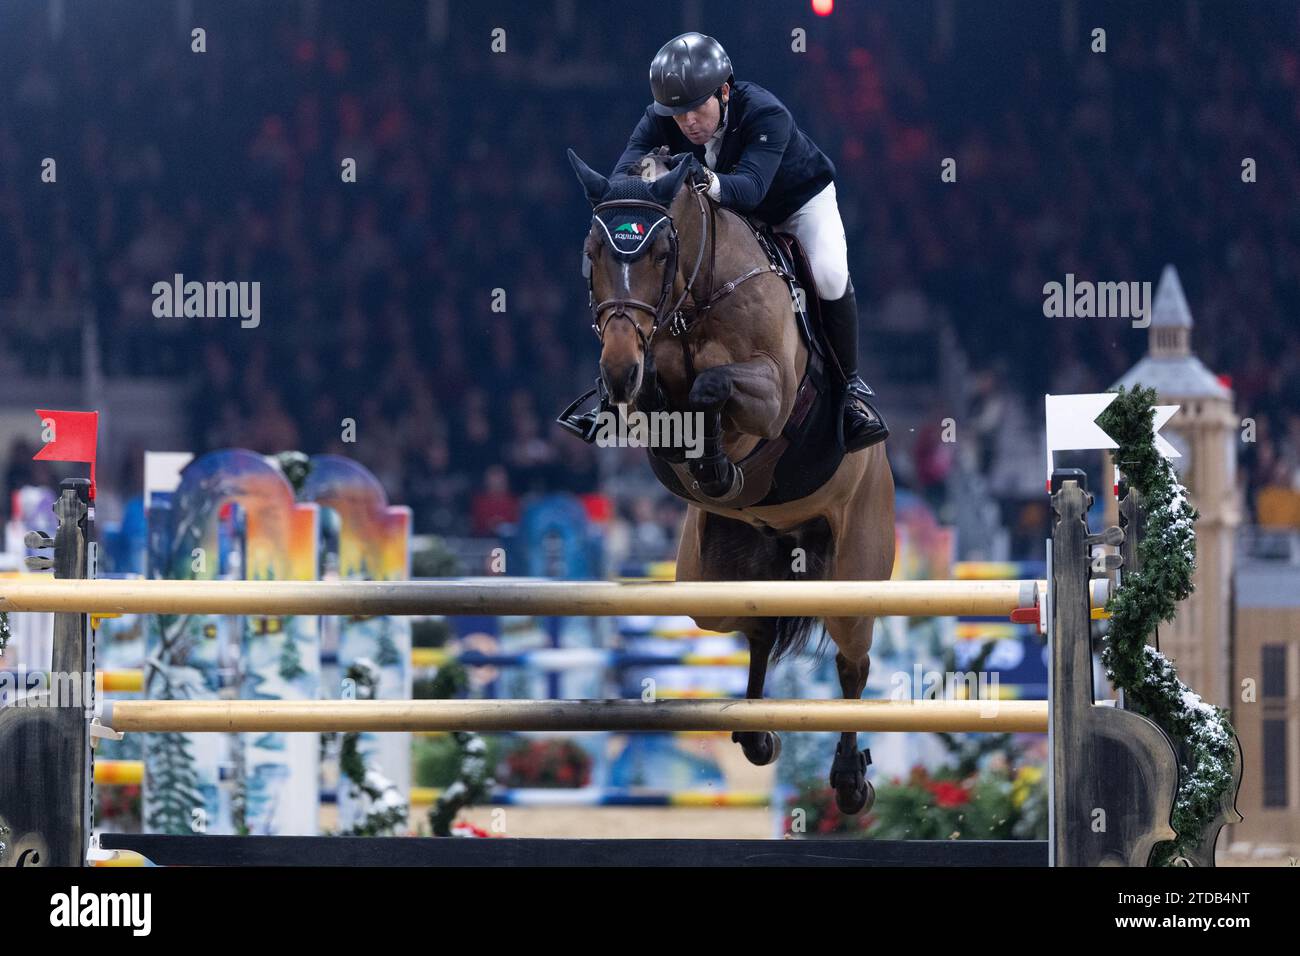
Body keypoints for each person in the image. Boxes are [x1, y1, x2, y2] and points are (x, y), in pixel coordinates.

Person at [608, 31, 888, 451]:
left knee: (830, 275)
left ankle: (848, 394)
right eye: (678, 113)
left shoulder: (764, 112)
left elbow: (752, 188)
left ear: (723, 91)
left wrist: (699, 178)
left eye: (696, 109)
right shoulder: (665, 114)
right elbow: (623, 173)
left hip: (796, 204)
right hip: (729, 211)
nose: (688, 123)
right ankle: (624, 391)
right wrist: (638, 177)